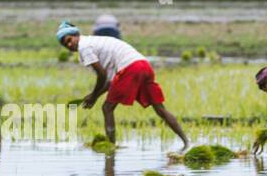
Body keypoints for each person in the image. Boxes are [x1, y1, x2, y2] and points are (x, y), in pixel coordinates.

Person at [57, 21, 190, 150]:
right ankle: (186, 142)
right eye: (65, 45)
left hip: (131, 67)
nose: (69, 45)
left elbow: (102, 75)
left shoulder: (84, 46)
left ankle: (111, 148)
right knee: (160, 109)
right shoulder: (93, 42)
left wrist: (93, 96)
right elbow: (110, 81)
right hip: (143, 65)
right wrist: (95, 95)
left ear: (76, 35)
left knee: (107, 108)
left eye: (69, 40)